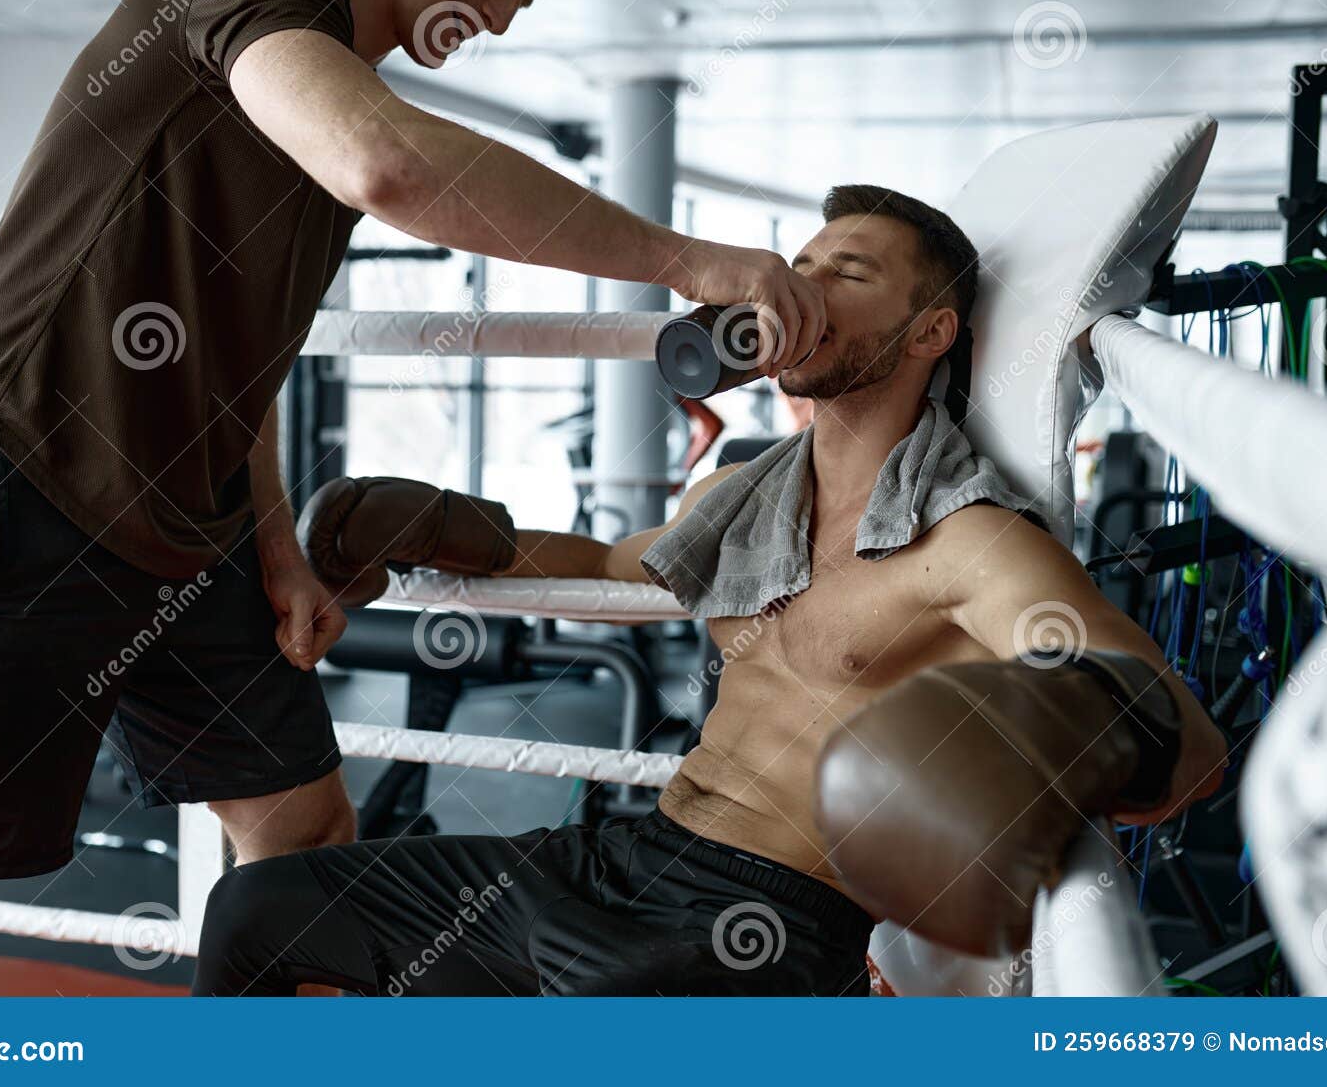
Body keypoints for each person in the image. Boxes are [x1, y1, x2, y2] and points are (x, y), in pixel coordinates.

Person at [0, 0, 827, 996]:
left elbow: (249, 358)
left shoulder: (333, 88)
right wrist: (687, 260)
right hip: (27, 484)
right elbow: (381, 161)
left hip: (192, 532)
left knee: (300, 834)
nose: (506, 11)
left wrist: (278, 546)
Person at [192, 185, 1230, 996]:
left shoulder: (969, 542)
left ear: (929, 335)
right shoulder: (748, 494)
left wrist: (1050, 729)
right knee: (256, 911)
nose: (805, 290)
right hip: (627, 857)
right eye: (803, 264)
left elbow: (1183, 741)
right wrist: (445, 528)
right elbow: (608, 567)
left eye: (850, 275)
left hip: (769, 922)